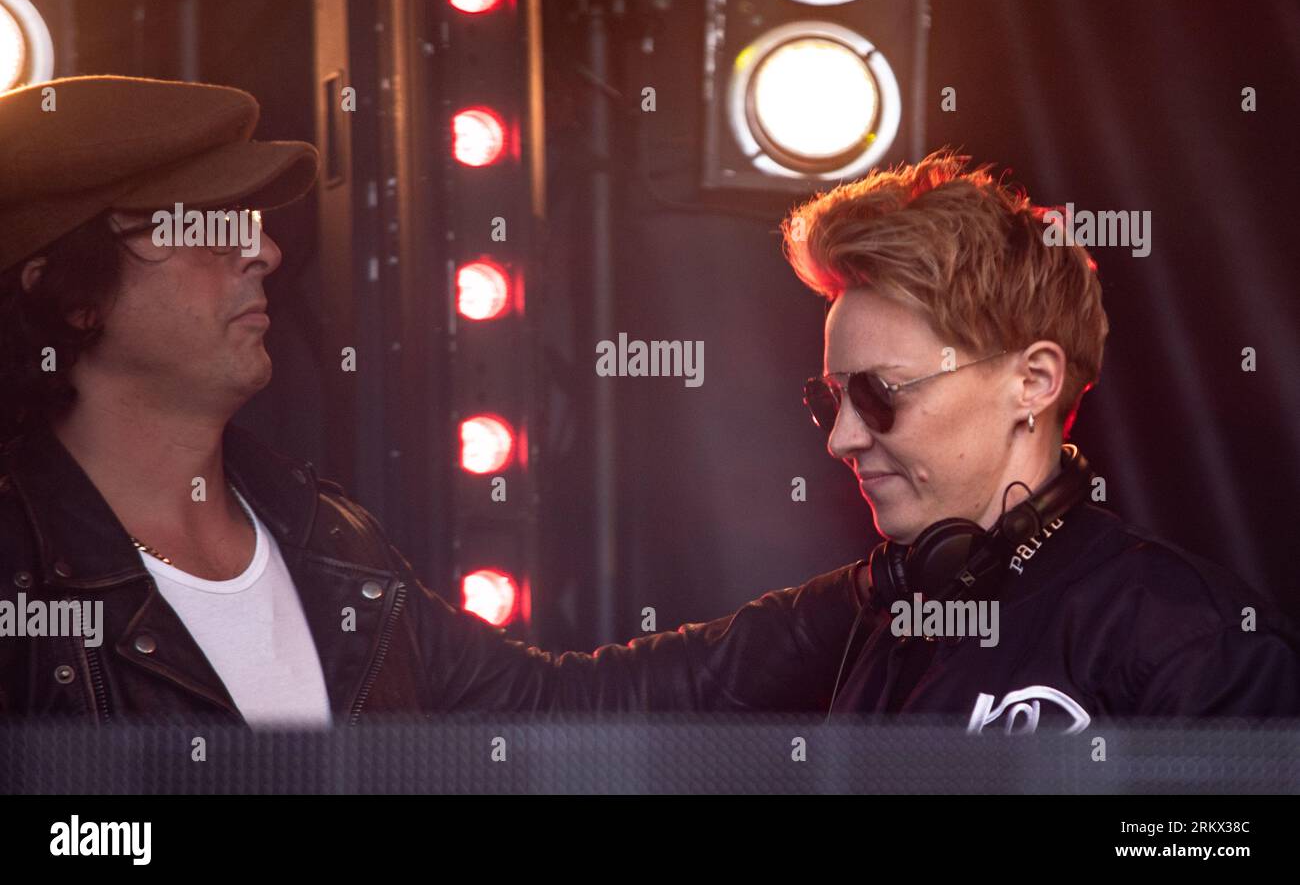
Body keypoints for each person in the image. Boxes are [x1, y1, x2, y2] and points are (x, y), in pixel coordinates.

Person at [0, 75, 869, 726]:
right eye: (202, 222)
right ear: (64, 288)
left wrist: (874, 594)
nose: (260, 248)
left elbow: (554, 707)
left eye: (252, 218)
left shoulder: (327, 540)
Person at [781, 149, 1300, 731]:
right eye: (832, 400)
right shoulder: (882, 630)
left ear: (1033, 383)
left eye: (881, 393)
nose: (842, 440)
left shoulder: (1196, 642)